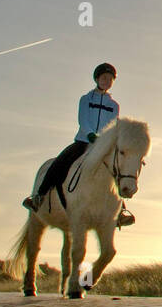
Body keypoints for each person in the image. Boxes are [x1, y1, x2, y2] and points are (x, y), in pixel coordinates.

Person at [24, 63, 135, 225]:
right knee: (61, 161)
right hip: (84, 141)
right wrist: (90, 134)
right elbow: (83, 120)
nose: (107, 81)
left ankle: (120, 210)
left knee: (116, 170)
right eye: (104, 78)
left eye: (110, 79)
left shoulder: (114, 105)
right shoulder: (86, 99)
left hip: (102, 146)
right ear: (97, 79)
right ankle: (39, 196)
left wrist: (109, 140)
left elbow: (113, 125)